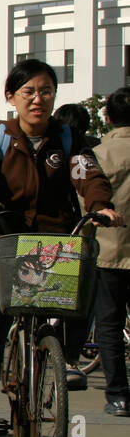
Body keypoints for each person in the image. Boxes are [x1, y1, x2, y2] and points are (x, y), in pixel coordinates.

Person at [0, 59, 121, 437]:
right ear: (12, 98)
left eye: (46, 91)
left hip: (52, 243)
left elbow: (87, 175)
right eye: (29, 93)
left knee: (84, 286)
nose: (39, 99)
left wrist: (101, 206)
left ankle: (60, 359)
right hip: (1, 239)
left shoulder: (69, 139)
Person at [92, 88, 130, 415]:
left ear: (108, 117)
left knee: (110, 324)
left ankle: (118, 395)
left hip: (110, 252)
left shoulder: (100, 154)